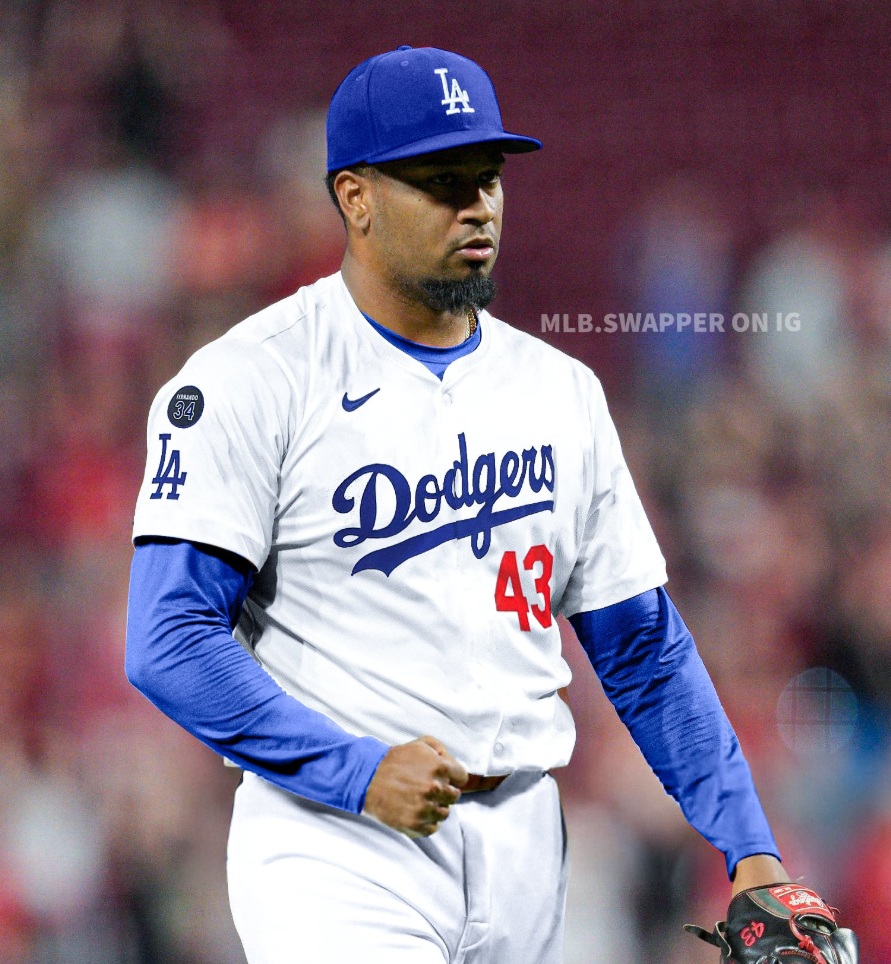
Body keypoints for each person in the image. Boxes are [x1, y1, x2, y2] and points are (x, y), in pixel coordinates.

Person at [126, 45, 820, 964]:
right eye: (441, 180)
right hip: (334, 840)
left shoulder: (559, 391)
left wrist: (751, 850)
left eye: (488, 177)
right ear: (355, 197)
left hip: (528, 835)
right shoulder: (251, 381)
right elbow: (168, 638)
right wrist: (356, 771)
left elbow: (643, 649)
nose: (477, 205)